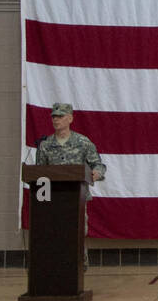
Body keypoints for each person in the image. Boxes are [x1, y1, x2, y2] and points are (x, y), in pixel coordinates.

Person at [35, 103, 106, 269]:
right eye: (54, 116)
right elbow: (39, 174)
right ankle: (56, 269)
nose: (56, 119)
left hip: (77, 198)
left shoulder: (82, 142)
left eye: (60, 116)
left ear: (70, 118)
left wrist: (96, 173)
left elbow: (98, 165)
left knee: (77, 233)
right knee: (54, 235)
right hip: (52, 199)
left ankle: (79, 268)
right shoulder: (45, 145)